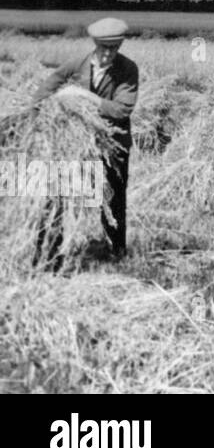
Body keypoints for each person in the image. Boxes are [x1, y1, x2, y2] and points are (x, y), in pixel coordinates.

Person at [31, 17, 138, 268]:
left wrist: (81, 95)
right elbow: (44, 90)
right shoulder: (77, 64)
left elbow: (121, 110)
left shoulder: (128, 69)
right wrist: (42, 120)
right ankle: (47, 256)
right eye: (103, 48)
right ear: (95, 45)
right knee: (57, 197)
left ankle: (115, 253)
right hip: (74, 144)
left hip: (112, 146)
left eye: (114, 48)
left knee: (112, 199)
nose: (108, 54)